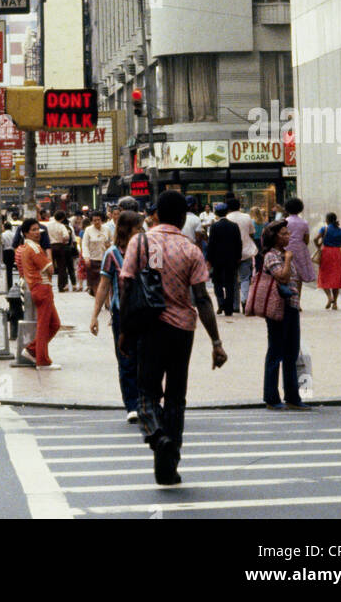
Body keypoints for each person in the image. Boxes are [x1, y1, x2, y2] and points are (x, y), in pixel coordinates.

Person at [120, 190, 227, 485]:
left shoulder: (140, 242)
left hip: (149, 327)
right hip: (182, 331)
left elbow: (126, 284)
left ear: (155, 214)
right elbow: (202, 299)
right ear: (183, 216)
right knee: (177, 398)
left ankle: (156, 434)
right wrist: (216, 343)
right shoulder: (191, 249)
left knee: (146, 393)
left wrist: (124, 330)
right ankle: (169, 467)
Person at [90, 210, 143, 423]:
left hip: (146, 313)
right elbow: (103, 286)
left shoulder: (147, 250)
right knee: (126, 360)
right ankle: (132, 404)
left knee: (146, 359)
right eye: (137, 229)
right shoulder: (112, 254)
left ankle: (146, 401)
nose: (141, 232)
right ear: (126, 230)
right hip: (122, 315)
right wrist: (94, 316)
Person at [259, 219, 307, 409]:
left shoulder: (283, 253)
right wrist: (287, 259)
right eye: (284, 233)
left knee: (291, 353)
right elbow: (283, 277)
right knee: (276, 352)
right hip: (278, 309)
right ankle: (271, 397)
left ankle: (293, 397)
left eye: (288, 233)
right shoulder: (272, 256)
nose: (288, 236)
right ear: (274, 237)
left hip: (291, 307)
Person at [15, 219, 61, 370]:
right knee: (44, 325)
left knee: (54, 324)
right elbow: (50, 269)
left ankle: (32, 350)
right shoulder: (34, 248)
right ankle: (42, 360)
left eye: (38, 230)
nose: (37, 233)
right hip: (42, 288)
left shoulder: (26, 248)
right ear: (26, 233)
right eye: (33, 230)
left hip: (38, 288)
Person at [205, 201, 242, 317]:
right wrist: (238, 257)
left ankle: (221, 303)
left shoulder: (214, 227)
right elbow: (238, 243)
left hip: (217, 260)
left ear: (216, 213)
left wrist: (209, 259)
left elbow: (211, 244)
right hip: (231, 259)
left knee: (217, 282)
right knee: (230, 283)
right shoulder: (234, 226)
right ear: (227, 212)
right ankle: (229, 308)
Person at [284, 197, 316, 308]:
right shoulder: (304, 223)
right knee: (298, 278)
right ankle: (297, 302)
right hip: (300, 249)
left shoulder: (285, 222)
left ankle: (288, 301)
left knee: (287, 275)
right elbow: (306, 239)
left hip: (287, 249)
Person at [226, 196, 258, 309]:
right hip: (246, 251)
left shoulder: (226, 218)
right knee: (245, 278)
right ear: (239, 206)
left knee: (233, 279)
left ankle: (235, 305)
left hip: (230, 253)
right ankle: (245, 300)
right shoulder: (247, 217)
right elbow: (252, 233)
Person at [315, 212, 341, 309]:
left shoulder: (324, 229)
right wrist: (336, 246)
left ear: (327, 220)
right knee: (336, 278)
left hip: (326, 253)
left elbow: (315, 239)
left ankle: (329, 297)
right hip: (337, 254)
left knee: (324, 276)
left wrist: (319, 247)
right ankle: (335, 303)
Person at [81, 211, 108, 296]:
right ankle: (97, 298)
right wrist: (86, 257)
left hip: (105, 259)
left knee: (105, 281)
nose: (97, 222)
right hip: (92, 259)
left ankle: (107, 302)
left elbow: (111, 241)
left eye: (98, 220)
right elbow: (84, 244)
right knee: (95, 282)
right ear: (92, 221)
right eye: (94, 220)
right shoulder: (88, 230)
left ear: (102, 220)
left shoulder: (106, 229)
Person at [48, 210, 74, 293]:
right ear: (62, 218)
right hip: (60, 246)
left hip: (51, 247)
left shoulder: (48, 225)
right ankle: (61, 286)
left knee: (49, 266)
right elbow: (66, 236)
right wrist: (63, 241)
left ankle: (48, 285)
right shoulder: (61, 226)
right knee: (61, 267)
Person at [1, 216, 17, 291]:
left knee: (7, 269)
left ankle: (8, 284)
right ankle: (10, 284)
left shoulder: (3, 235)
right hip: (12, 252)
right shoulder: (13, 234)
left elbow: (2, 244)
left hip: (5, 251)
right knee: (10, 268)